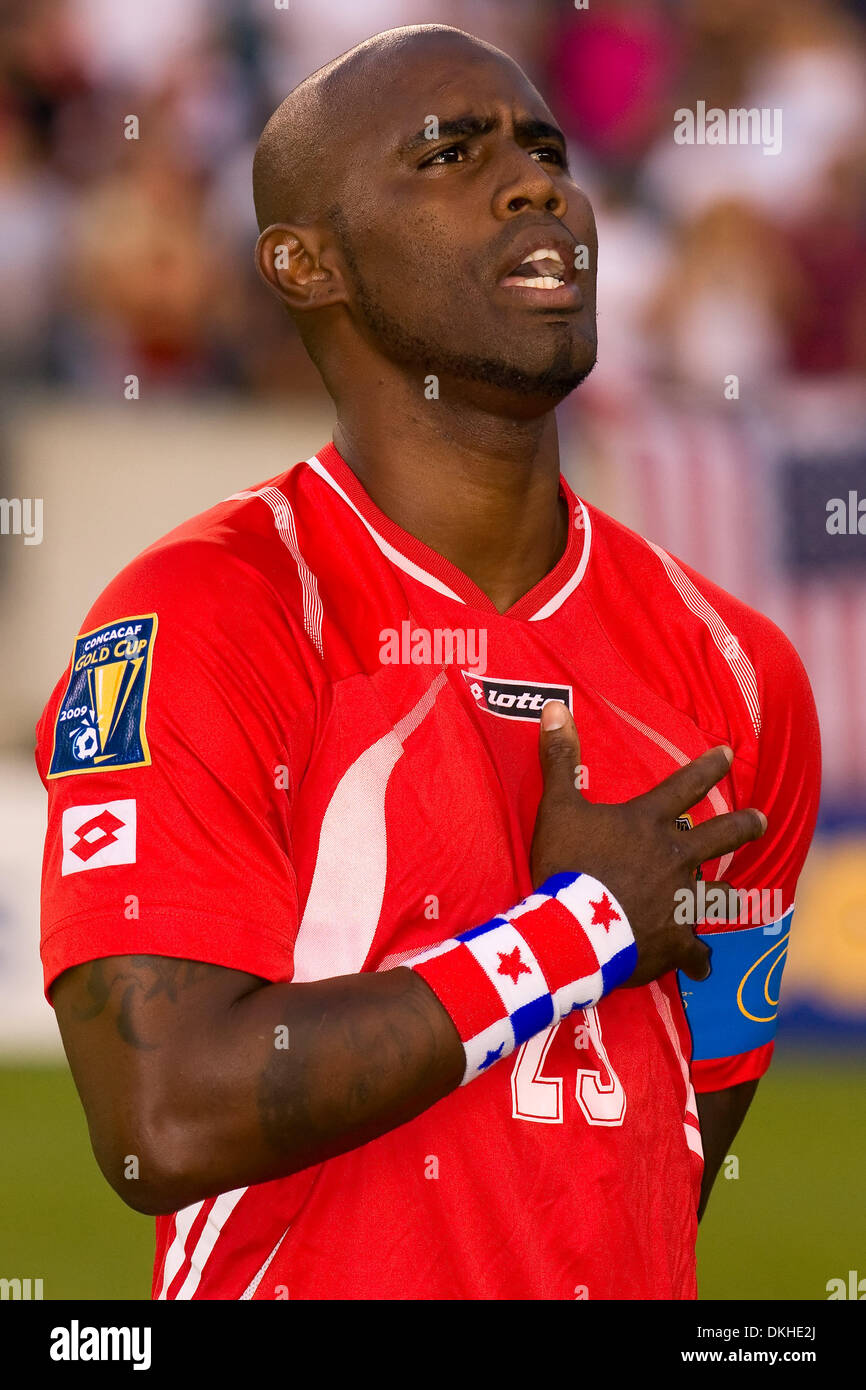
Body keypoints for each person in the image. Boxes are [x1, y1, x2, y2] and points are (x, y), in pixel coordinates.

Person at [36, 25, 819, 1300]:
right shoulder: (201, 614)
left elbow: (682, 1134)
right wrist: (577, 928)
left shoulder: (741, 675)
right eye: (450, 153)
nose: (536, 185)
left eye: (544, 149)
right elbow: (159, 1117)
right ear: (305, 263)